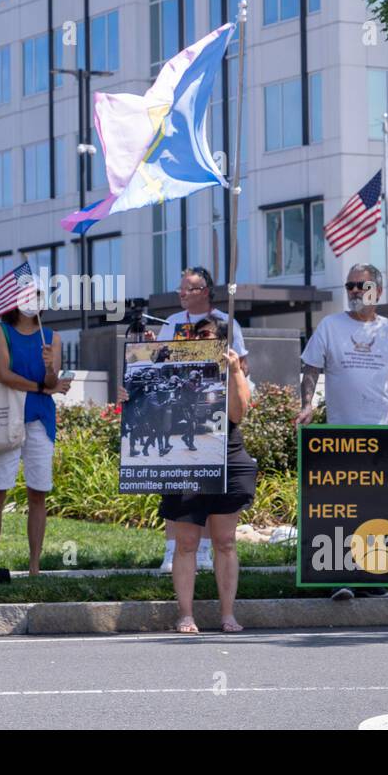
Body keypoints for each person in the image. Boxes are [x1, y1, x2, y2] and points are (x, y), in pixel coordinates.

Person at [296, 264, 388, 601]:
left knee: (378, 509)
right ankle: (341, 579)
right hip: (342, 436)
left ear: (378, 291)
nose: (353, 290)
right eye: (349, 285)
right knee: (344, 508)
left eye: (361, 285)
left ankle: (374, 579)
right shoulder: (330, 326)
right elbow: (311, 367)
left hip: (384, 436)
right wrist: (307, 404)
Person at [159, 317, 257, 633]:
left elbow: (238, 413)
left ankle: (228, 614)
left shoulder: (234, 369)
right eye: (195, 335)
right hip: (187, 459)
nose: (199, 339)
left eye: (206, 335)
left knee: (225, 541)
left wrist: (234, 370)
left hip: (227, 457)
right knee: (185, 542)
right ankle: (186, 615)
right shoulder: (178, 368)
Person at [152, 265, 249, 573]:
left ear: (205, 292)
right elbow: (159, 363)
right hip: (177, 408)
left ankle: (204, 550)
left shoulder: (226, 321)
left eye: (189, 288)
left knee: (207, 482)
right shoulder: (172, 322)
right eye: (181, 287)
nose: (182, 293)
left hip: (212, 410)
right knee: (175, 480)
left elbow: (242, 366)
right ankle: (172, 550)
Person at [0, 288, 72, 577]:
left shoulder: (52, 337)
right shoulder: (0, 330)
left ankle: (35, 566)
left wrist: (49, 370)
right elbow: (3, 375)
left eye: (38, 299)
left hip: (40, 420)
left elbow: (52, 380)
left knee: (38, 493)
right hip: (6, 417)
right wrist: (44, 388)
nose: (33, 304)